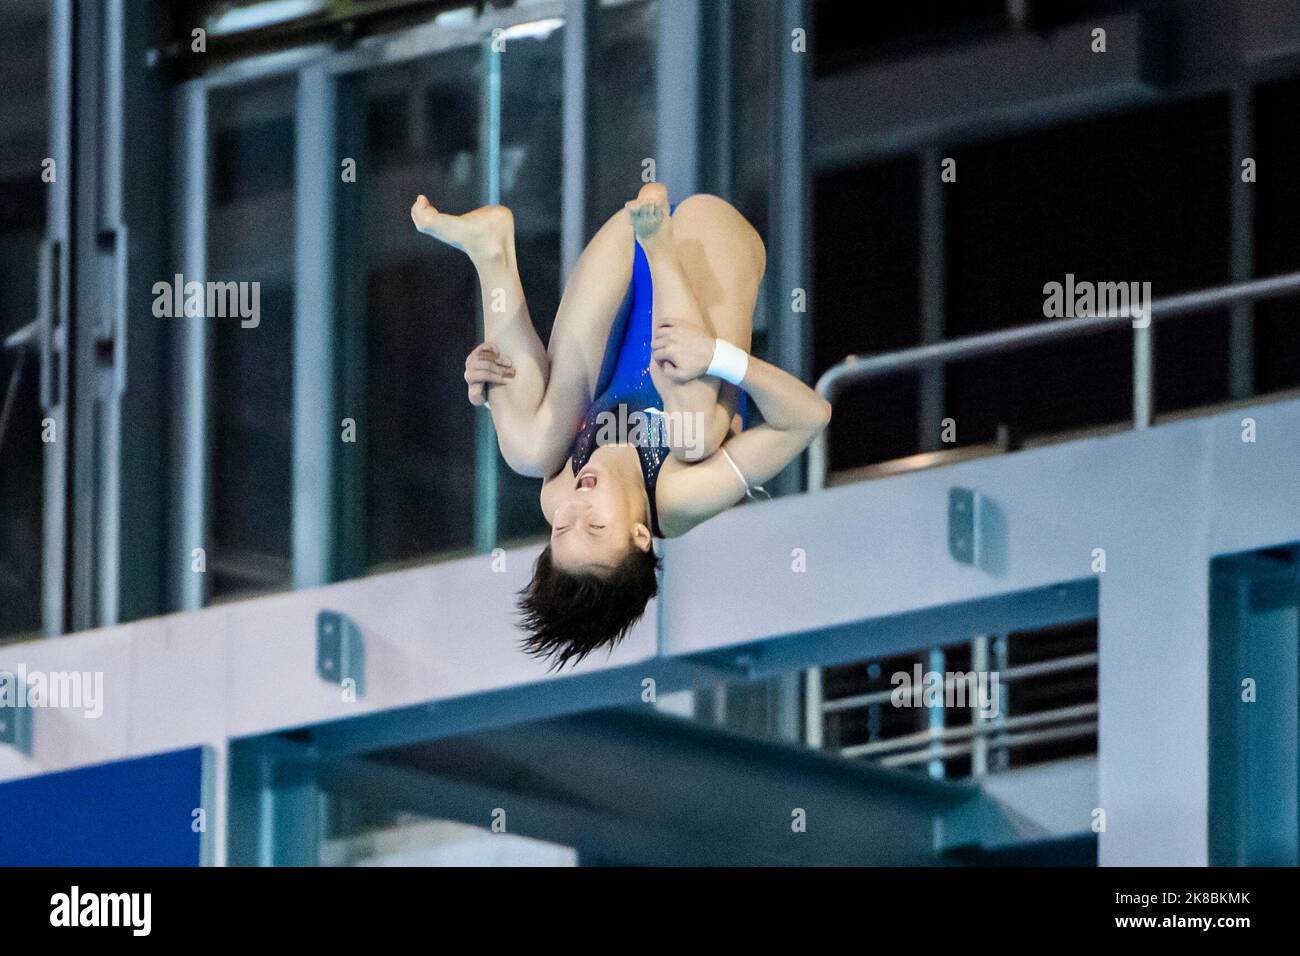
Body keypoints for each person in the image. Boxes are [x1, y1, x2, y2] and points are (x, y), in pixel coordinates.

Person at [411, 183, 830, 667]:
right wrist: (719, 358)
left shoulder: (559, 494)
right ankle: (663, 251)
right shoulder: (676, 498)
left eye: (563, 526)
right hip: (706, 241)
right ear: (639, 536)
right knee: (695, 432)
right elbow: (808, 419)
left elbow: (529, 397)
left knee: (527, 448)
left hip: (625, 249)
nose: (577, 503)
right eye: (595, 524)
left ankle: (490, 252)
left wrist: (489, 382)